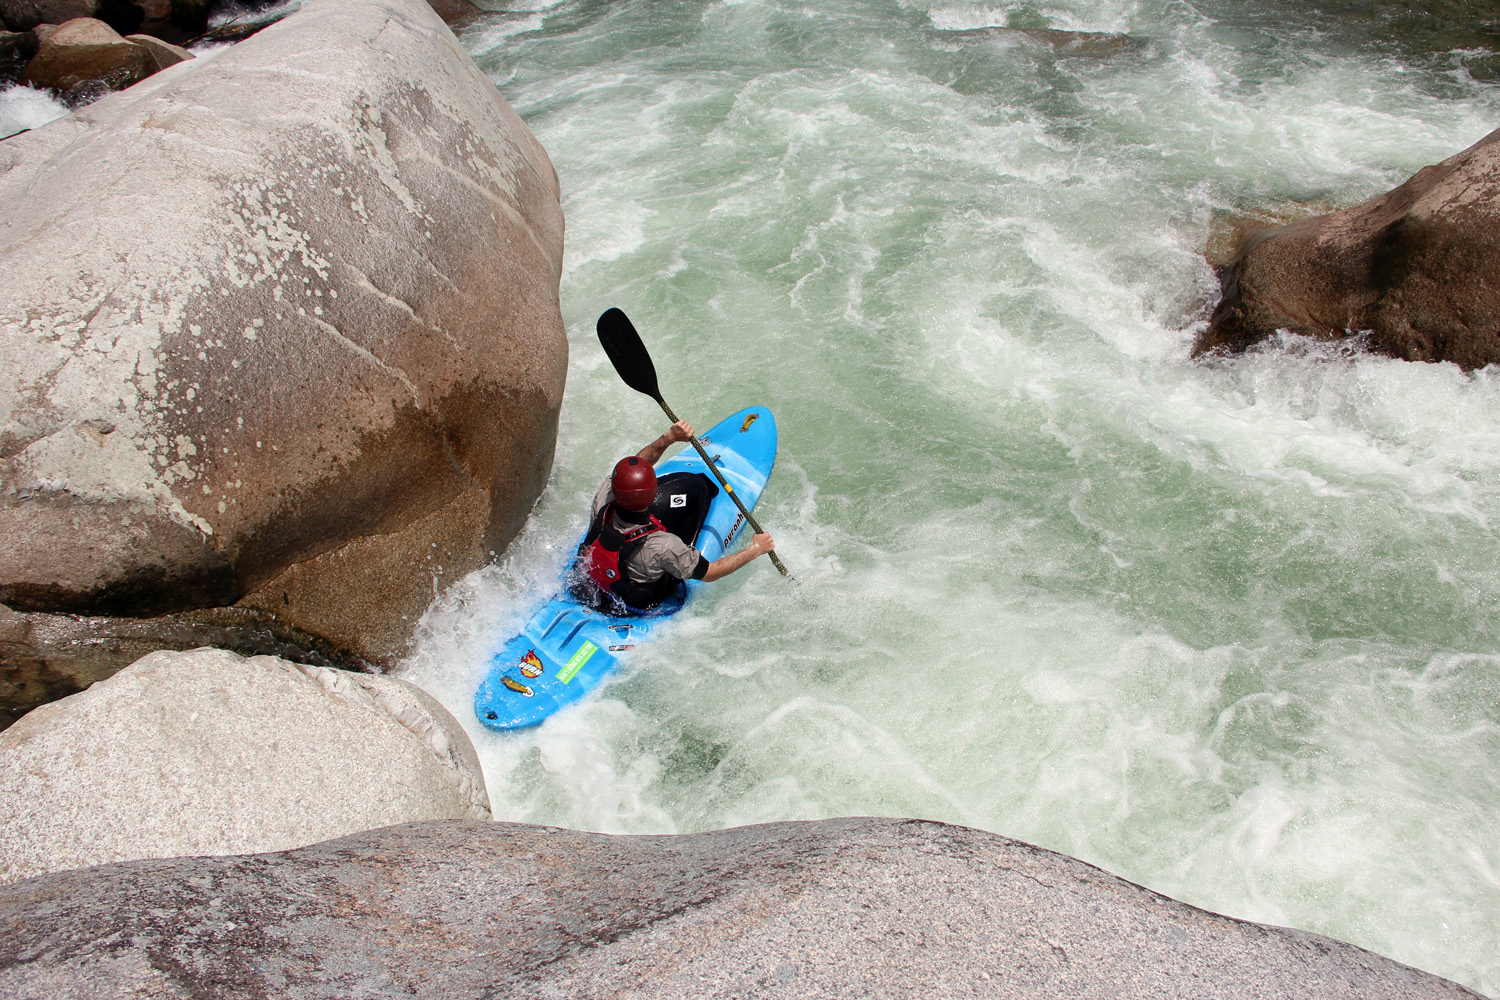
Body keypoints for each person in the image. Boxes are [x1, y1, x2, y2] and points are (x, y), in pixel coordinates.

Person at [573, 419, 775, 611]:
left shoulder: (605, 494)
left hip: (596, 580)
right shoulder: (663, 546)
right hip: (635, 602)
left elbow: (638, 462)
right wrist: (756, 549)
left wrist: (668, 438)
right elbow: (710, 572)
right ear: (654, 493)